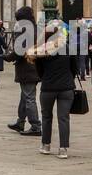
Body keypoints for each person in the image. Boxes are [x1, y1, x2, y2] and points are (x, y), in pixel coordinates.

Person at [33, 21, 80, 158]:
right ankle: (63, 148)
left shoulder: (43, 51)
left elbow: (39, 72)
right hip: (66, 87)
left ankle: (46, 145)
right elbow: (75, 69)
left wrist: (48, 78)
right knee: (64, 118)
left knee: (47, 117)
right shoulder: (69, 48)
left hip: (48, 88)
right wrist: (67, 78)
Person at [3, 6, 42, 136]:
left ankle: (36, 125)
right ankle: (20, 122)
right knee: (24, 97)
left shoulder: (25, 30)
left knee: (29, 97)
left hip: (27, 68)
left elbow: (19, 51)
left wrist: (7, 57)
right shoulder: (37, 29)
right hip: (36, 67)